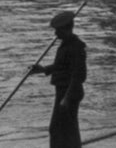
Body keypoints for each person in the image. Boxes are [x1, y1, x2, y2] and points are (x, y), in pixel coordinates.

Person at [29, 10, 86, 148]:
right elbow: (61, 65)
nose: (55, 34)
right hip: (63, 91)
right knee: (62, 129)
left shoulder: (76, 47)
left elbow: (79, 75)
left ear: (66, 29)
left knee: (61, 129)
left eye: (58, 30)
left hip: (70, 92)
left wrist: (67, 97)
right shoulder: (66, 44)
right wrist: (43, 69)